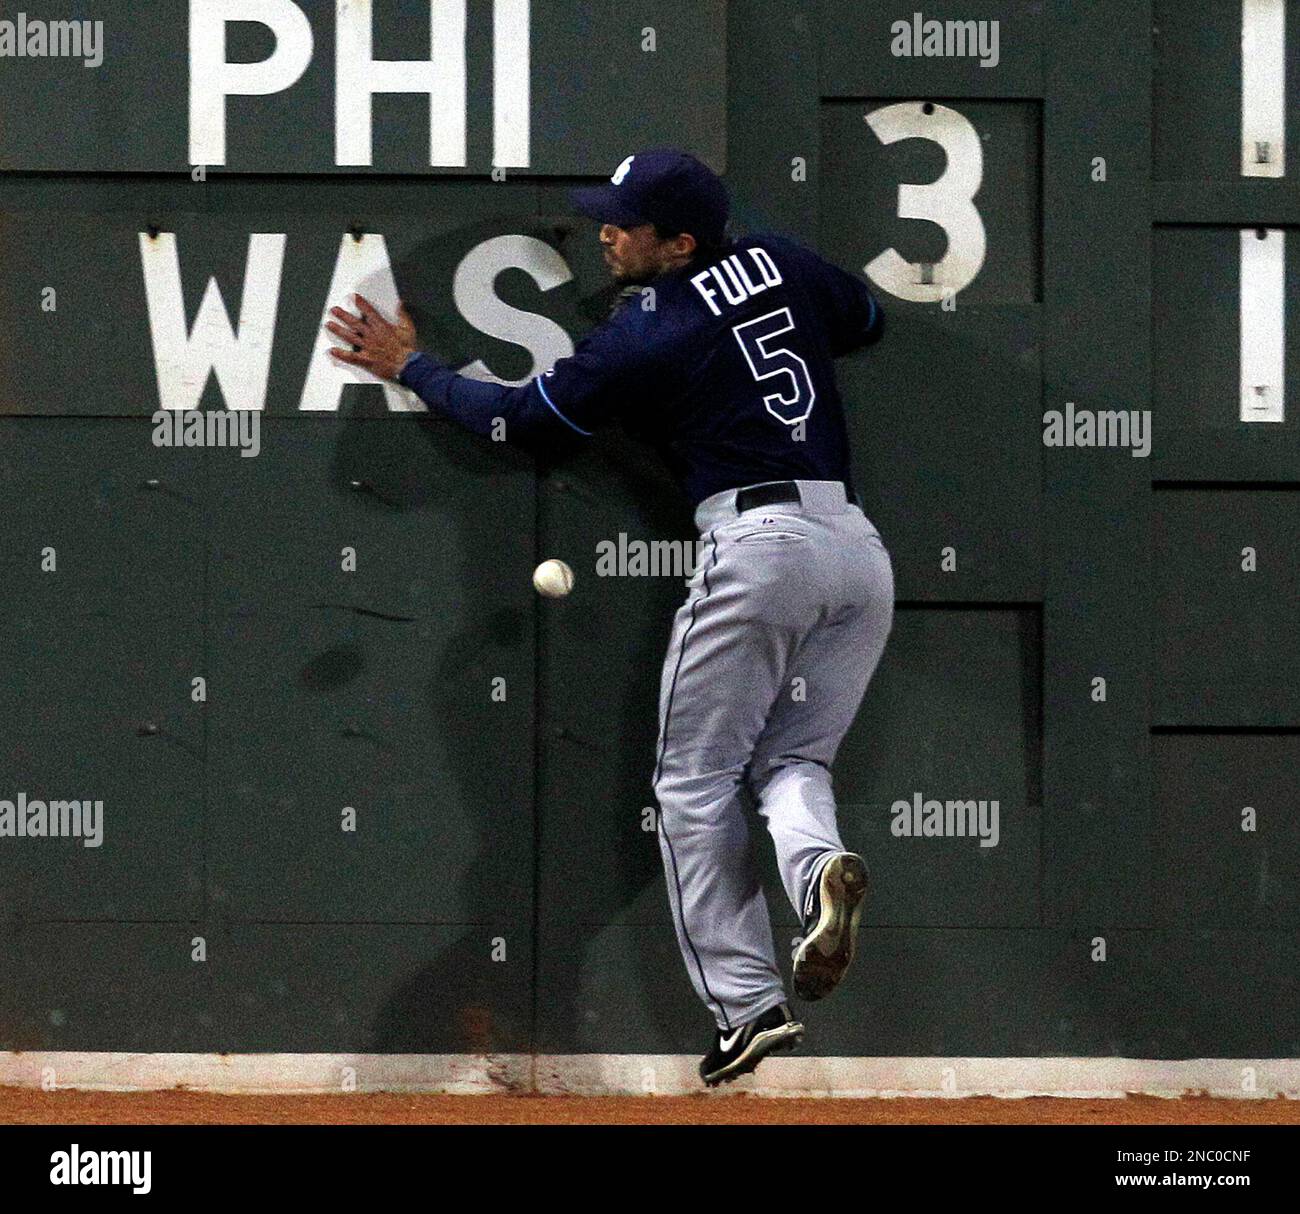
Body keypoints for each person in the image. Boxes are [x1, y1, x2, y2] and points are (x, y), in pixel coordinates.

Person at [326, 147, 894, 1087]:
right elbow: (867, 321)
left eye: (626, 223)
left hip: (757, 547)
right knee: (793, 760)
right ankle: (816, 872)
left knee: (691, 780)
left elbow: (522, 420)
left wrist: (415, 366)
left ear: (677, 243)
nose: (605, 231)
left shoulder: (646, 333)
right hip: (856, 552)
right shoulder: (785, 262)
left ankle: (749, 1006)